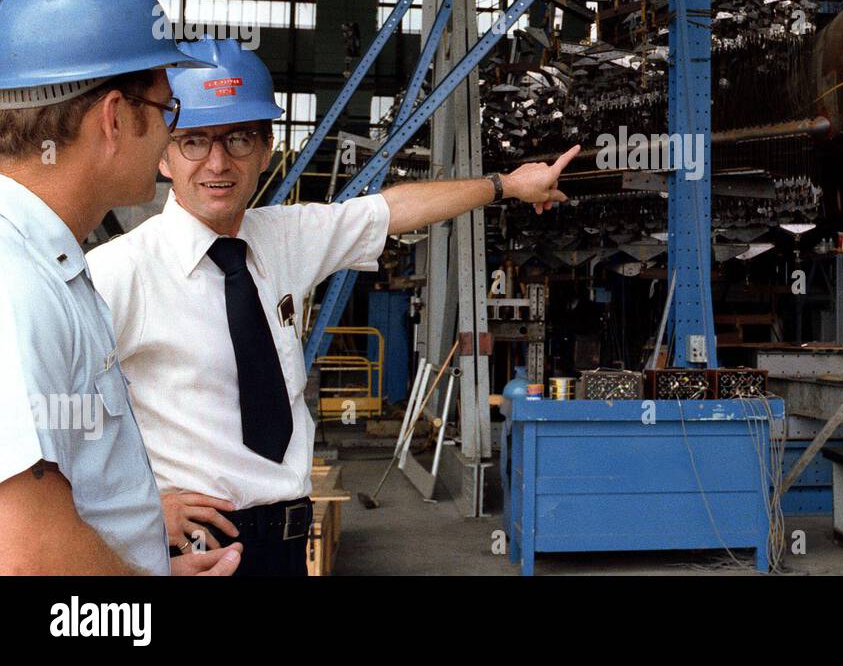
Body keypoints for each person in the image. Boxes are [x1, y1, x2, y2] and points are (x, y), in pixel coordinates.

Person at [87, 37, 577, 575]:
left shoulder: (285, 238)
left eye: (239, 139)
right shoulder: (119, 272)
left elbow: (391, 210)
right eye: (194, 142)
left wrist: (505, 184)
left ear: (269, 146)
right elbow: (48, 415)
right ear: (163, 153)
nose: (217, 163)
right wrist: (133, 510)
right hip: (195, 548)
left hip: (290, 536)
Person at [0, 0, 241, 575]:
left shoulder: (50, 263)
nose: (169, 135)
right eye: (167, 111)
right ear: (113, 117)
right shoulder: (16, 284)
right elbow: (28, 555)